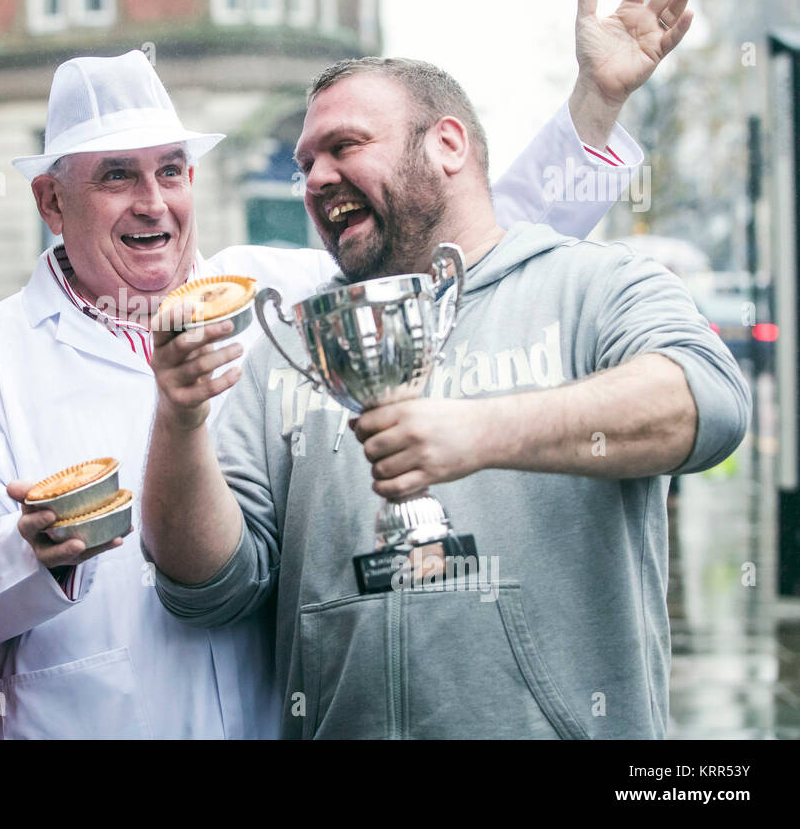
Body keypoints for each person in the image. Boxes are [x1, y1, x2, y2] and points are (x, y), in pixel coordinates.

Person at [0, 0, 694, 739]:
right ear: (52, 200)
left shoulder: (280, 297)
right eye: (118, 176)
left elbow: (463, 245)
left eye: (172, 171)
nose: (154, 202)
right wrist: (35, 551)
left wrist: (594, 108)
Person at [139, 47, 749, 739]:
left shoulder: (590, 286)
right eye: (304, 164)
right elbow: (210, 587)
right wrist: (180, 419)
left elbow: (711, 402)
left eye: (344, 147)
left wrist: (482, 433)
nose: (316, 179)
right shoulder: (301, 344)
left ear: (448, 144)